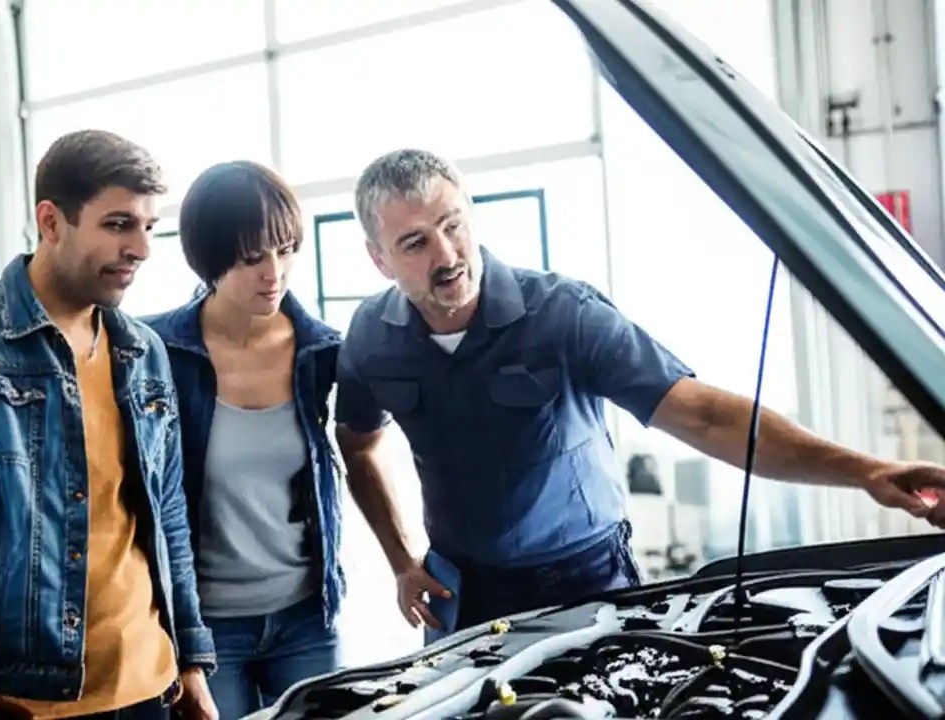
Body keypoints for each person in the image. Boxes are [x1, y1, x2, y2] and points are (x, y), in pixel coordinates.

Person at [334, 147, 945, 641]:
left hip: (585, 580)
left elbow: (705, 416)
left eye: (452, 225)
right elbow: (357, 446)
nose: (446, 255)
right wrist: (401, 562)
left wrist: (868, 472)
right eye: (415, 242)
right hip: (461, 590)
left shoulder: (563, 316)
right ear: (380, 260)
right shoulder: (369, 338)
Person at [0, 129, 218, 720]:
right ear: (51, 221)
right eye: (119, 224)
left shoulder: (143, 351)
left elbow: (168, 515)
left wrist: (192, 661)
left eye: (148, 227)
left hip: (151, 684)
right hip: (23, 701)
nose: (142, 249)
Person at [143, 161, 345, 718]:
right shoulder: (157, 352)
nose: (274, 272)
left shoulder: (321, 352)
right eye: (253, 257)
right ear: (210, 258)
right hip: (207, 628)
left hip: (306, 615)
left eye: (285, 250)